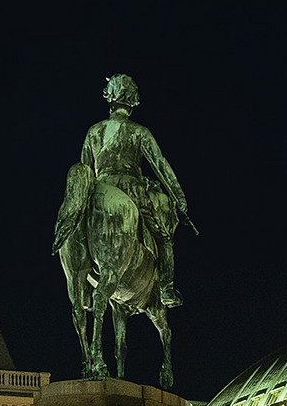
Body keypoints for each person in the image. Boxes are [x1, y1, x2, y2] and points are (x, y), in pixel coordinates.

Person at [55, 73, 189, 307]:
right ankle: (167, 288)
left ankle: (84, 287)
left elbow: (86, 167)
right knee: (164, 237)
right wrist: (179, 197)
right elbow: (160, 164)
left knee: (81, 224)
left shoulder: (94, 131)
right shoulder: (139, 131)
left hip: (98, 187)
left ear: (110, 99)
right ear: (132, 101)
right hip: (131, 188)